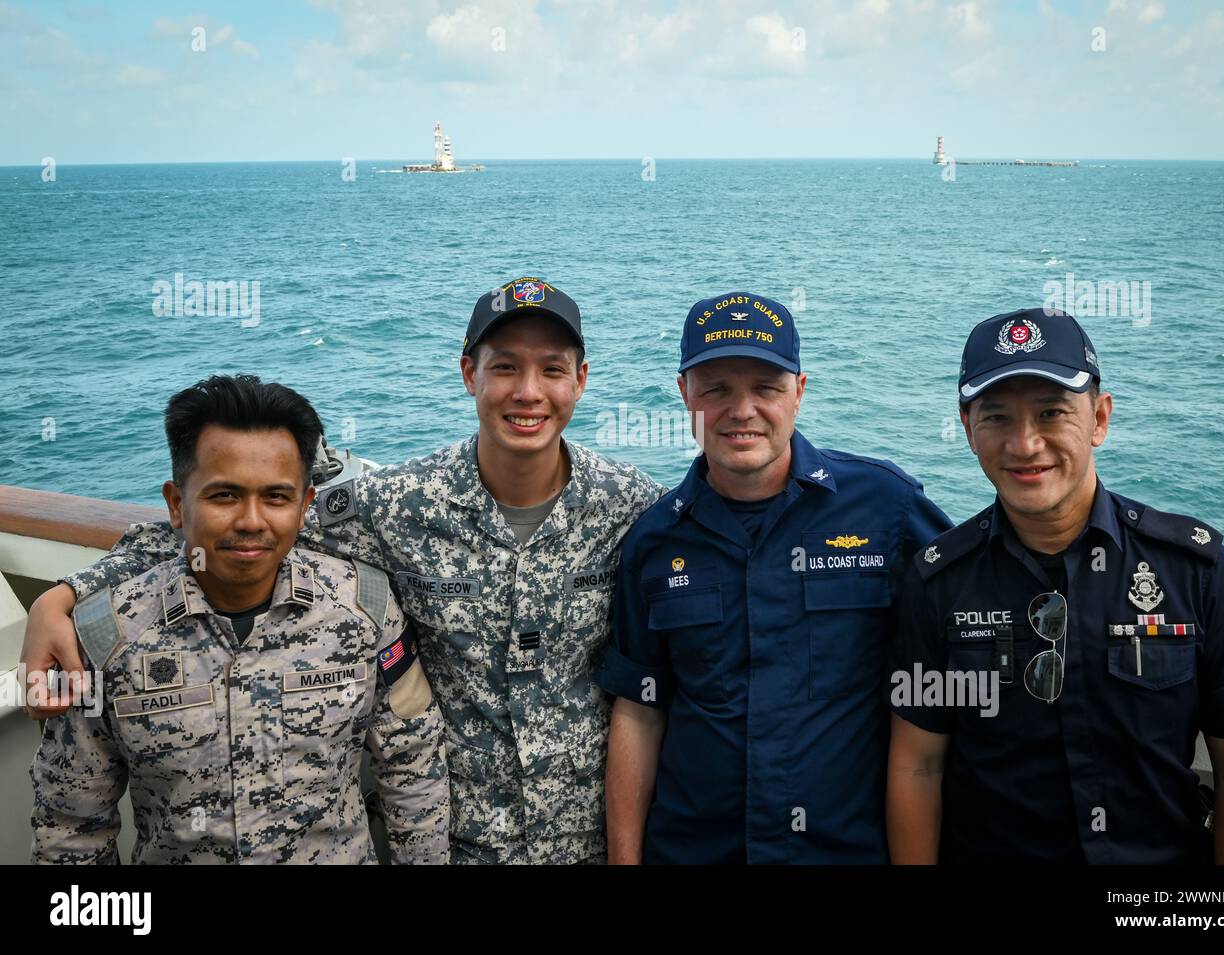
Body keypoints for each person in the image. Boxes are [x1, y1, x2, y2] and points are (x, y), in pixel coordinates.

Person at [23, 278, 665, 864]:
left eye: (551, 370)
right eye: (505, 368)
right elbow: (239, 528)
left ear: (580, 380)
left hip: (588, 837)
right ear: (470, 375)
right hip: (463, 838)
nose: (528, 392)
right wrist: (63, 596)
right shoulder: (401, 503)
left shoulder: (631, 506)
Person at [886, 307, 1224, 864]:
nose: (1025, 445)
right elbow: (918, 764)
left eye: (1051, 413)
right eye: (997, 418)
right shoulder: (938, 583)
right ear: (967, 429)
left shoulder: (1193, 571)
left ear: (1099, 418)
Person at [31, 375, 447, 864]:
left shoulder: (367, 608)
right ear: (175, 503)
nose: (252, 520)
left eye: (276, 497)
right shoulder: (107, 635)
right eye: (224, 496)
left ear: (305, 505)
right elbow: (72, 823)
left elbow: (413, 767)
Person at [597, 292, 951, 864]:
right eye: (716, 389)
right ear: (684, 394)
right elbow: (640, 709)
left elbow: (972, 615)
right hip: (696, 853)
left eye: (765, 388)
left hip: (843, 851)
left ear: (799, 392)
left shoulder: (886, 506)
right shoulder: (655, 539)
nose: (742, 410)